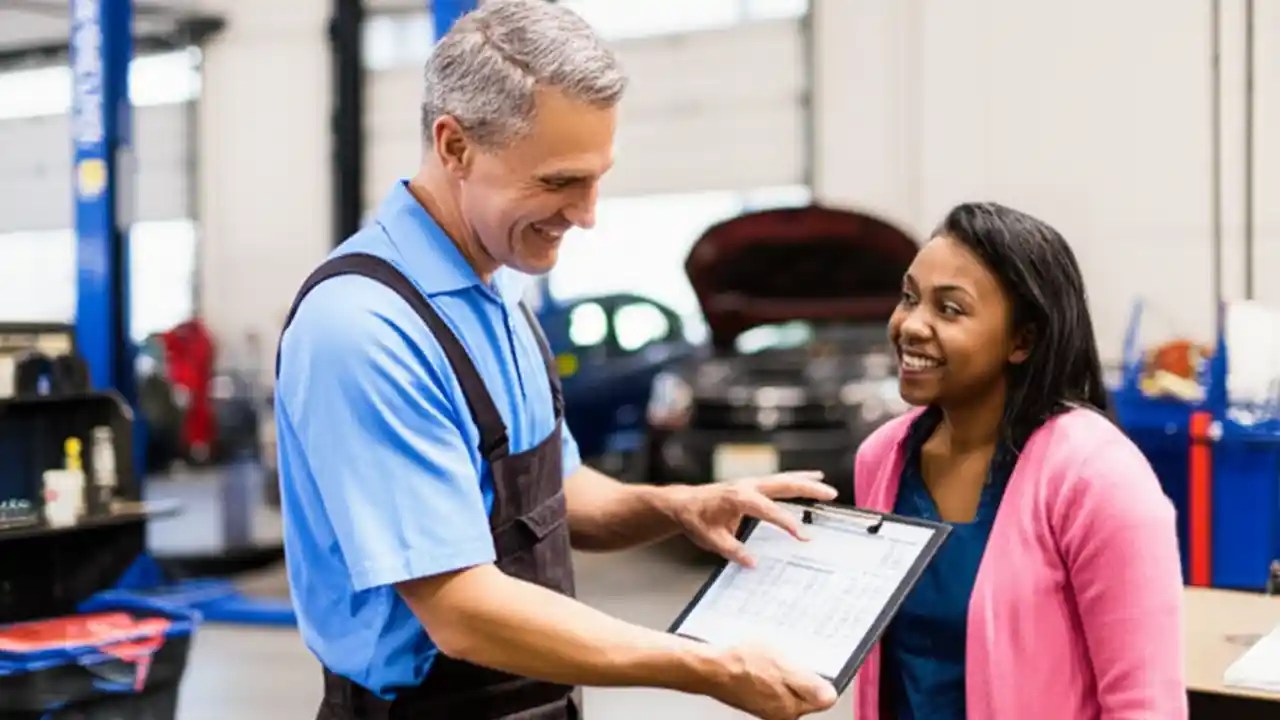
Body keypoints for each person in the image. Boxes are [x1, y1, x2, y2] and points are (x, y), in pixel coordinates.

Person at [273, 2, 838, 719]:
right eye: (558, 182)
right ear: (455, 146)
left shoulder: (498, 292)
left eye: (598, 178)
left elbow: (551, 494)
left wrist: (680, 507)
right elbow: (461, 610)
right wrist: (704, 666)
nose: (588, 213)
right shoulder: (364, 329)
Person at [849, 202, 1186, 719]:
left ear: (1022, 340)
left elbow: (1145, 704)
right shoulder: (882, 458)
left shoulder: (1096, 475)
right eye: (909, 298)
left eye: (950, 309)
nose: (911, 326)